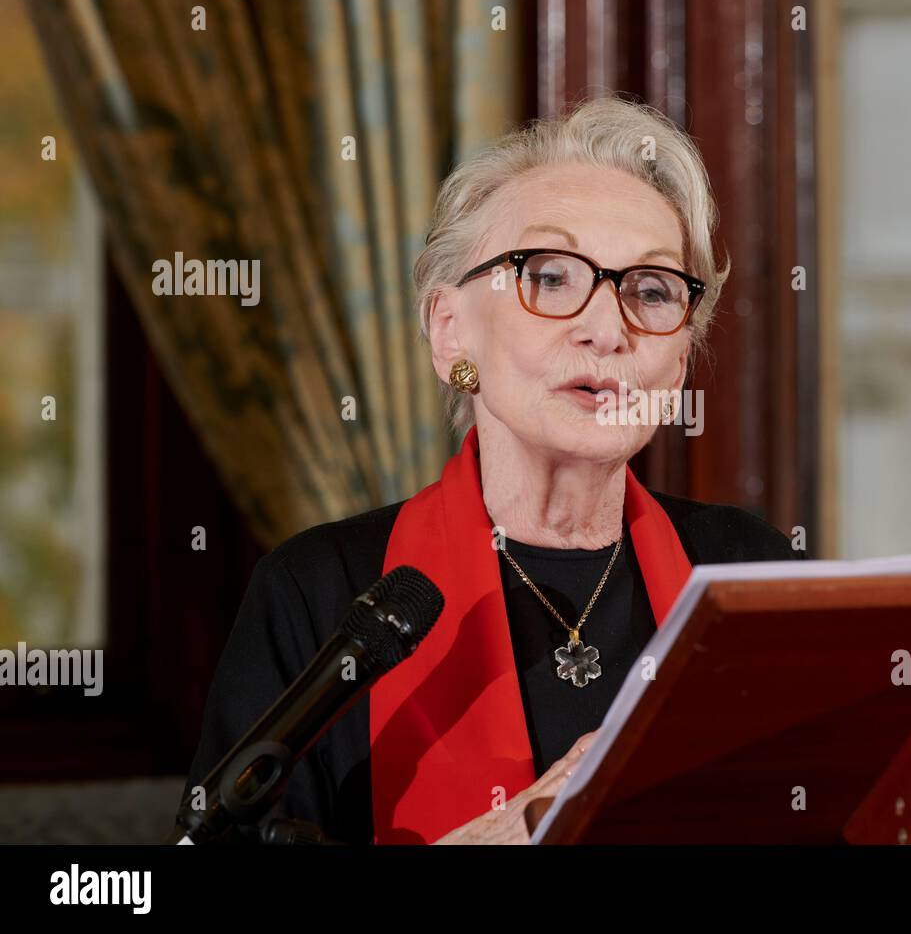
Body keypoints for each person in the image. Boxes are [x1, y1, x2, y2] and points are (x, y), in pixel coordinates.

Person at [184, 97, 803, 845]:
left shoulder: (750, 570)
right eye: (548, 277)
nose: (607, 329)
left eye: (650, 291)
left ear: (679, 361)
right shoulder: (323, 594)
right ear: (450, 332)